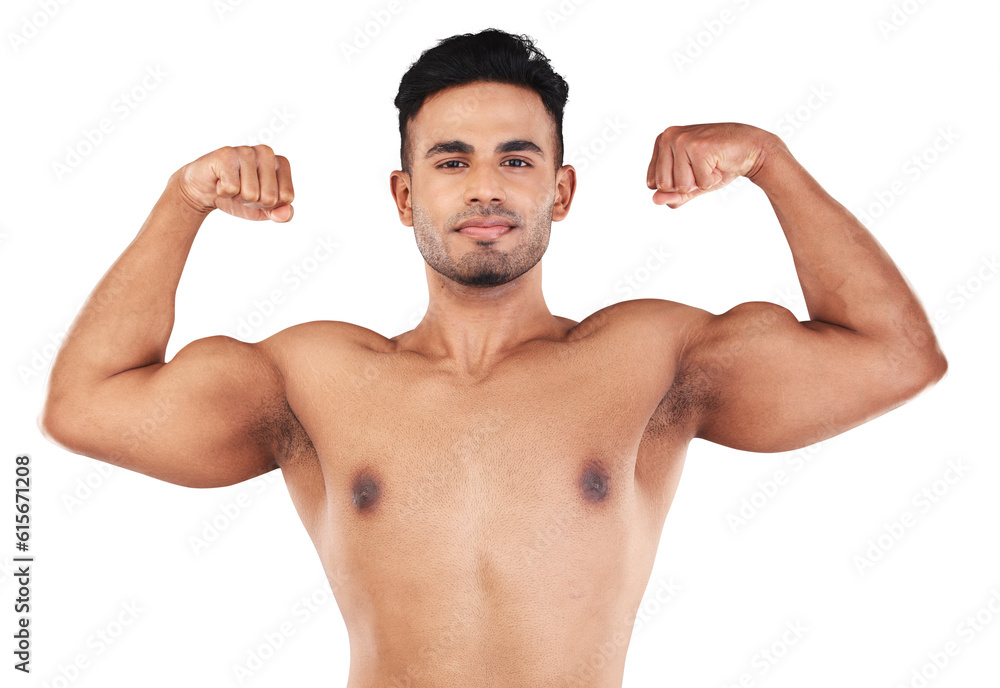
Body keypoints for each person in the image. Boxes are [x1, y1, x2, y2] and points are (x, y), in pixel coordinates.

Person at [39, 27, 947, 687]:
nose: (484, 188)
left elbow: (894, 357)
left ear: (562, 189)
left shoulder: (648, 358)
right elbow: (86, 406)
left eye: (516, 161)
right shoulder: (316, 377)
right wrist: (183, 201)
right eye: (451, 161)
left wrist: (772, 163)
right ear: (405, 196)